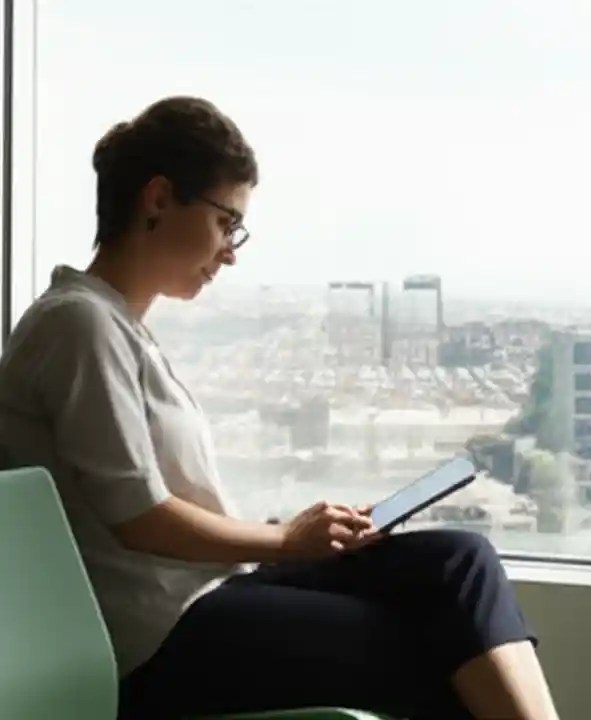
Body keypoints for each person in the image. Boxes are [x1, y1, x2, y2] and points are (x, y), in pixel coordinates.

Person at [0, 96, 560, 720]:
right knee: (446, 646)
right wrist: (288, 541)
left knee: (461, 561)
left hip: (212, 597)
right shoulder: (78, 326)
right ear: (158, 199)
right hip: (161, 637)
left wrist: (296, 537)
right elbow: (141, 518)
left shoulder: (117, 328)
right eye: (225, 223)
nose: (232, 250)